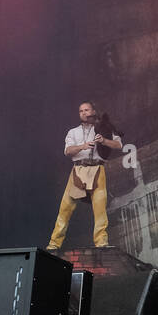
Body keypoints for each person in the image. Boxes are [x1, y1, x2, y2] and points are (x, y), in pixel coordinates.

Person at [47, 102, 122, 250]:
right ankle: (54, 244)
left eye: (86, 110)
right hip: (78, 171)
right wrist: (83, 146)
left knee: (100, 208)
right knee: (65, 209)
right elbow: (67, 151)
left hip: (97, 170)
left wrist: (104, 141)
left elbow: (119, 145)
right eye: (81, 111)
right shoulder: (73, 132)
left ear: (93, 111)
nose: (83, 113)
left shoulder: (104, 128)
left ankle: (101, 243)